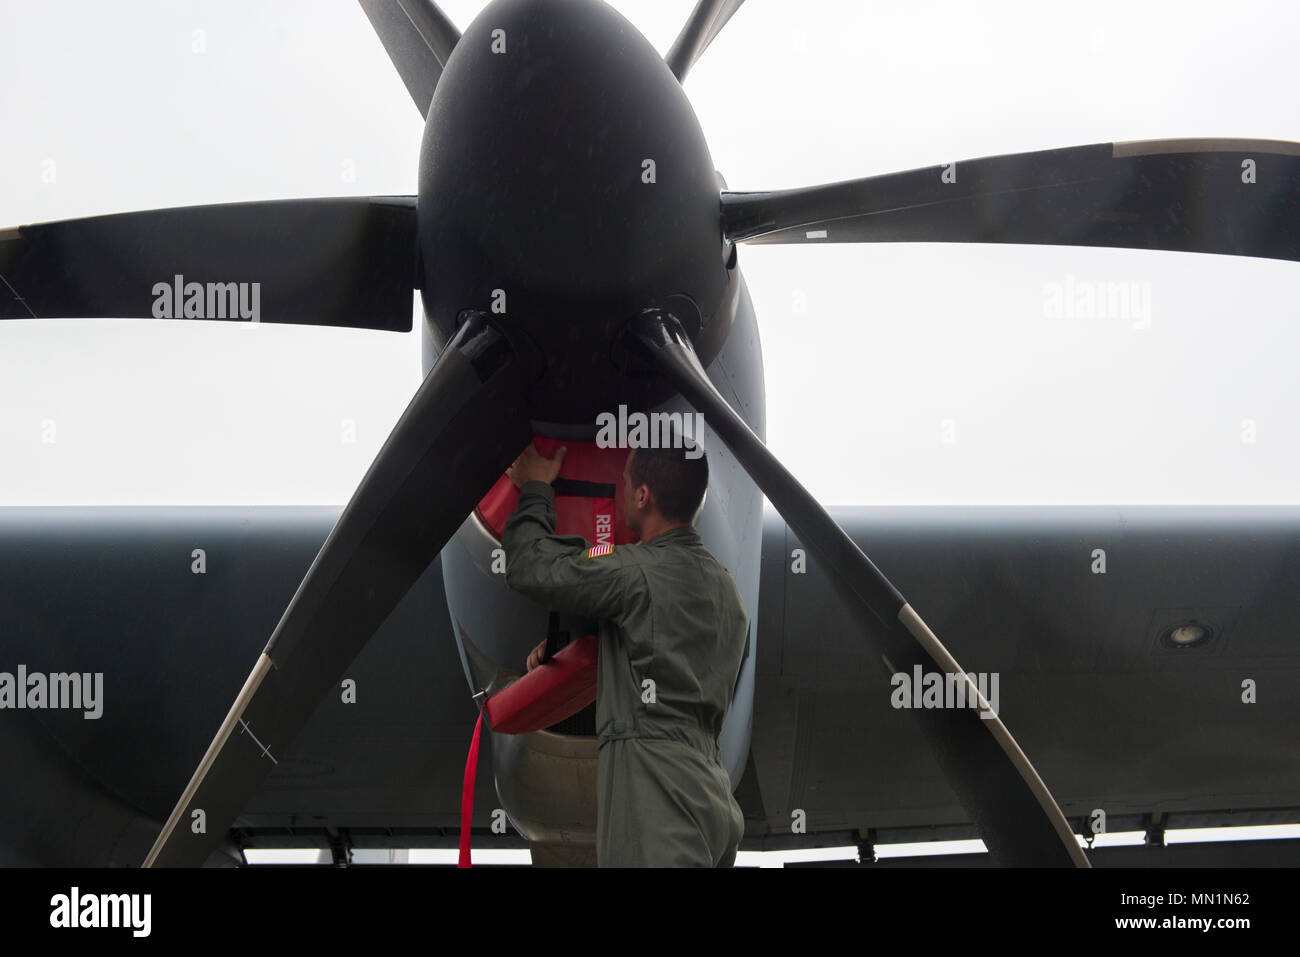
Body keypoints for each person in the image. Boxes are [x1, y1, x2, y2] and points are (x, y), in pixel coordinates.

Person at [502, 440, 747, 867]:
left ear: (642, 496)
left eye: (624, 479)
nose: (618, 486)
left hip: (661, 805)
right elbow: (662, 651)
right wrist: (577, 652)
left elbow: (531, 566)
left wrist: (536, 488)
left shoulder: (632, 569)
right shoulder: (726, 588)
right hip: (711, 799)